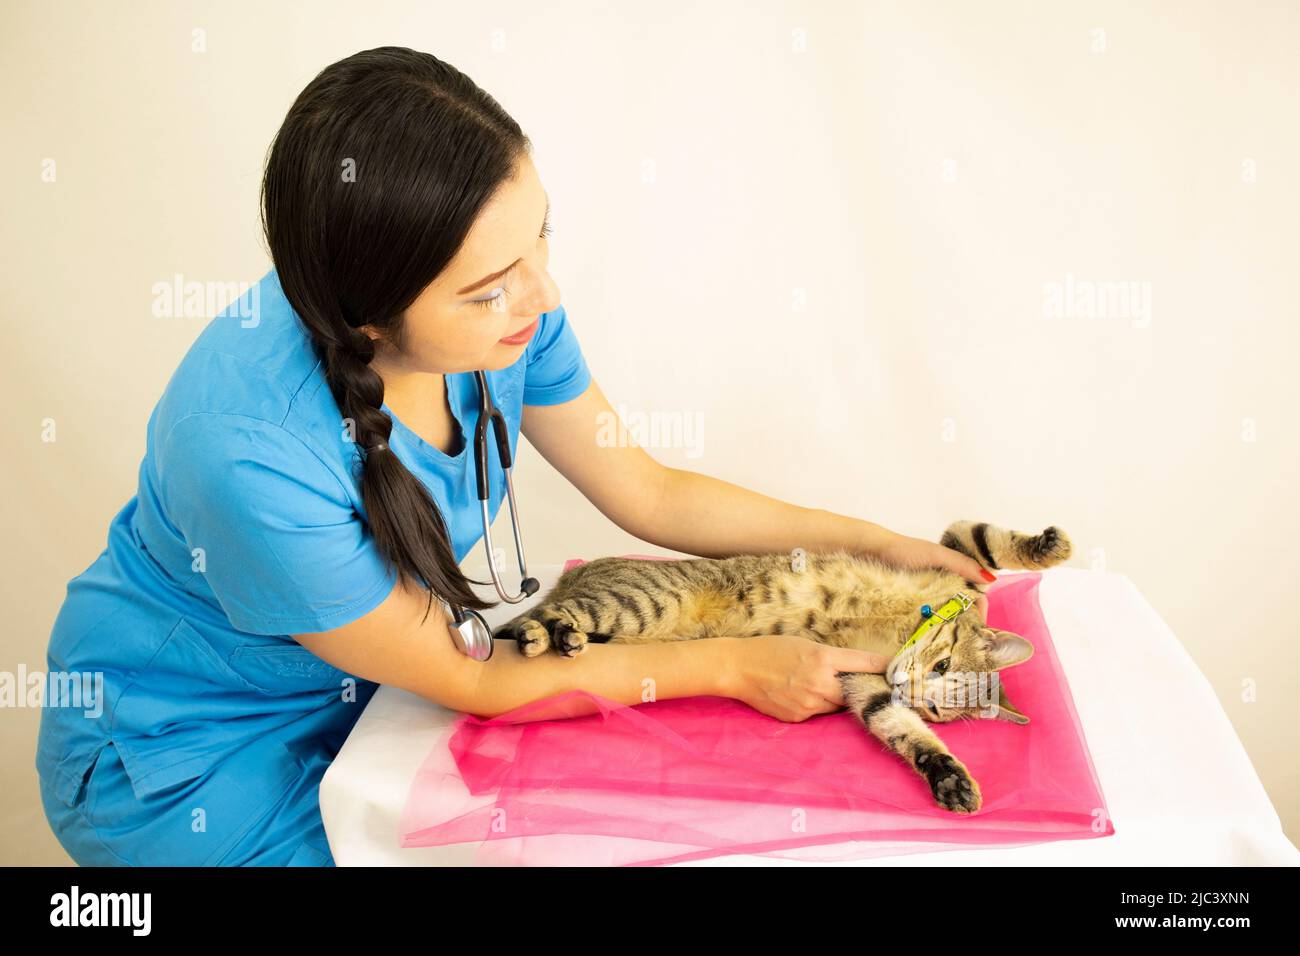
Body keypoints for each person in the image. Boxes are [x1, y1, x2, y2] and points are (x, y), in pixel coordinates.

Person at [35, 46, 992, 867]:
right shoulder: (246, 455)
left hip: (375, 699)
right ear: (372, 316)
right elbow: (478, 682)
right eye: (492, 285)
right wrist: (741, 666)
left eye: (542, 232)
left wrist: (879, 545)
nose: (543, 293)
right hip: (189, 755)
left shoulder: (511, 310)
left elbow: (647, 490)